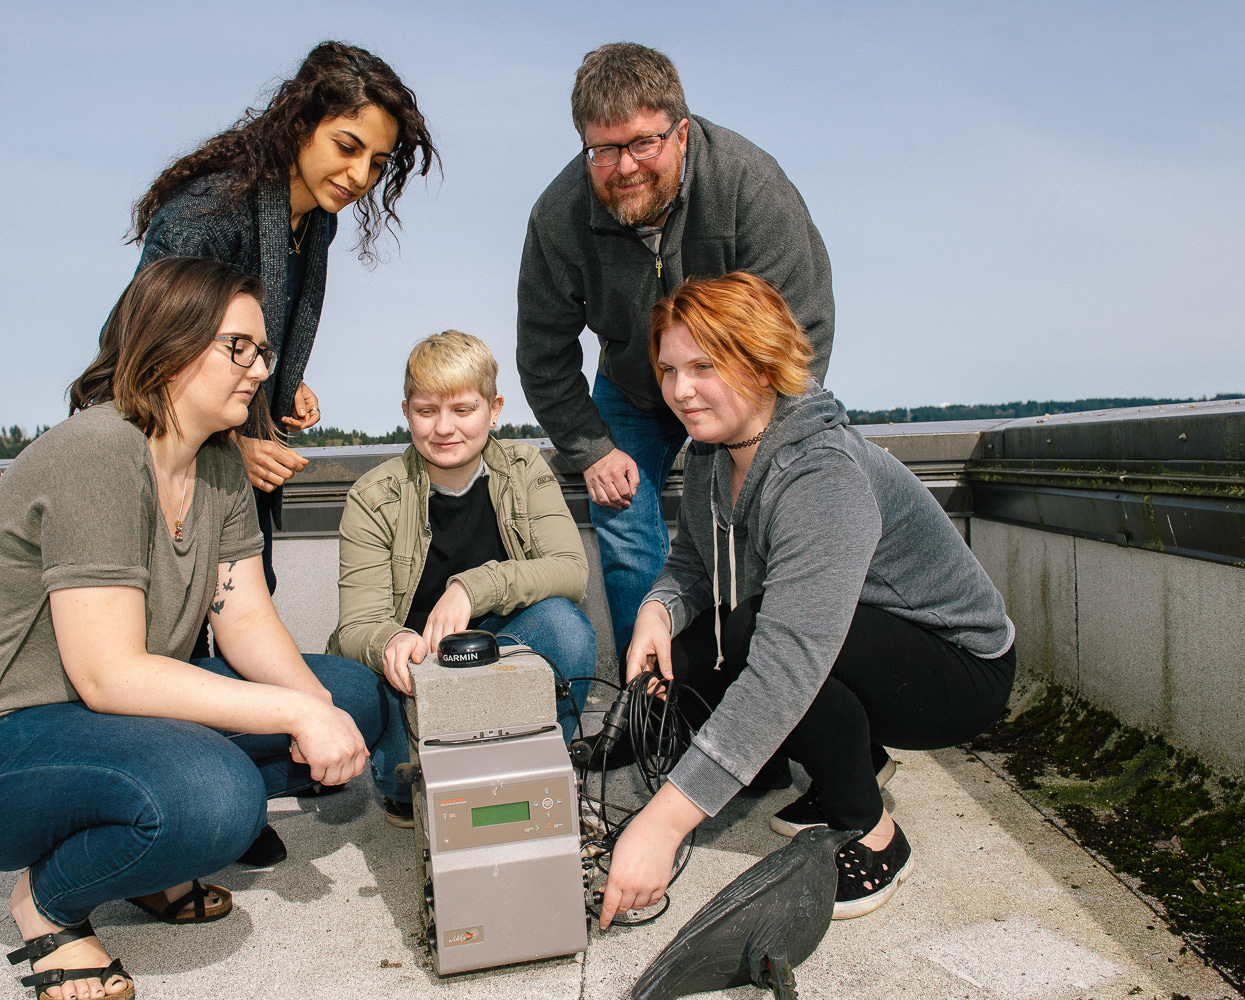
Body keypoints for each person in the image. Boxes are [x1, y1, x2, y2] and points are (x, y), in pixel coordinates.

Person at [0, 258, 386, 1000]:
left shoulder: (218, 463)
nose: (259, 370)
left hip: (105, 723)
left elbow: (246, 616)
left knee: (353, 696)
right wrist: (293, 713)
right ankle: (50, 903)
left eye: (263, 351)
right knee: (218, 797)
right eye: (239, 348)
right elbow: (110, 674)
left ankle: (145, 852)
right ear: (170, 343)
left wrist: (318, 710)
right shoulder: (99, 451)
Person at [597, 272, 1015, 928]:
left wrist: (662, 826)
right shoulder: (713, 450)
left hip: (958, 670)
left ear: (764, 364)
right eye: (671, 369)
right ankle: (852, 762)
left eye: (705, 366)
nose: (681, 390)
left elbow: (785, 669)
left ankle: (870, 831)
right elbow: (692, 565)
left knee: (758, 638)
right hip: (864, 642)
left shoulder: (823, 474)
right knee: (699, 646)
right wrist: (657, 610)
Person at [516, 42, 834, 664]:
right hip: (633, 388)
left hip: (747, 389)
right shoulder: (557, 217)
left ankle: (759, 681)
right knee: (625, 521)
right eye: (602, 150)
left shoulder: (750, 185)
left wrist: (759, 431)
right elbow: (543, 352)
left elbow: (803, 324)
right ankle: (656, 699)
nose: (624, 166)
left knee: (760, 517)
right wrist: (591, 447)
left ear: (681, 132)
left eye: (643, 143)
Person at [131, 40, 438, 594]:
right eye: (347, 146)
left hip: (238, 491)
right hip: (164, 490)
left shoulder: (316, 222)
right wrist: (234, 447)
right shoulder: (208, 215)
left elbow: (229, 338)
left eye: (376, 162)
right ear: (299, 125)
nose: (359, 174)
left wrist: (280, 383)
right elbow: (133, 362)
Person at [327, 330, 595, 826]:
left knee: (565, 627)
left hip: (499, 649)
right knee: (404, 792)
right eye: (427, 411)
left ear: (494, 409)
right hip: (413, 670)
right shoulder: (372, 496)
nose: (444, 428)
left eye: (463, 410)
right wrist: (392, 640)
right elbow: (356, 626)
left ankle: (543, 769)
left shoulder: (523, 468)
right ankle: (413, 781)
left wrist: (471, 588)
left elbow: (571, 571)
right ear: (406, 411)